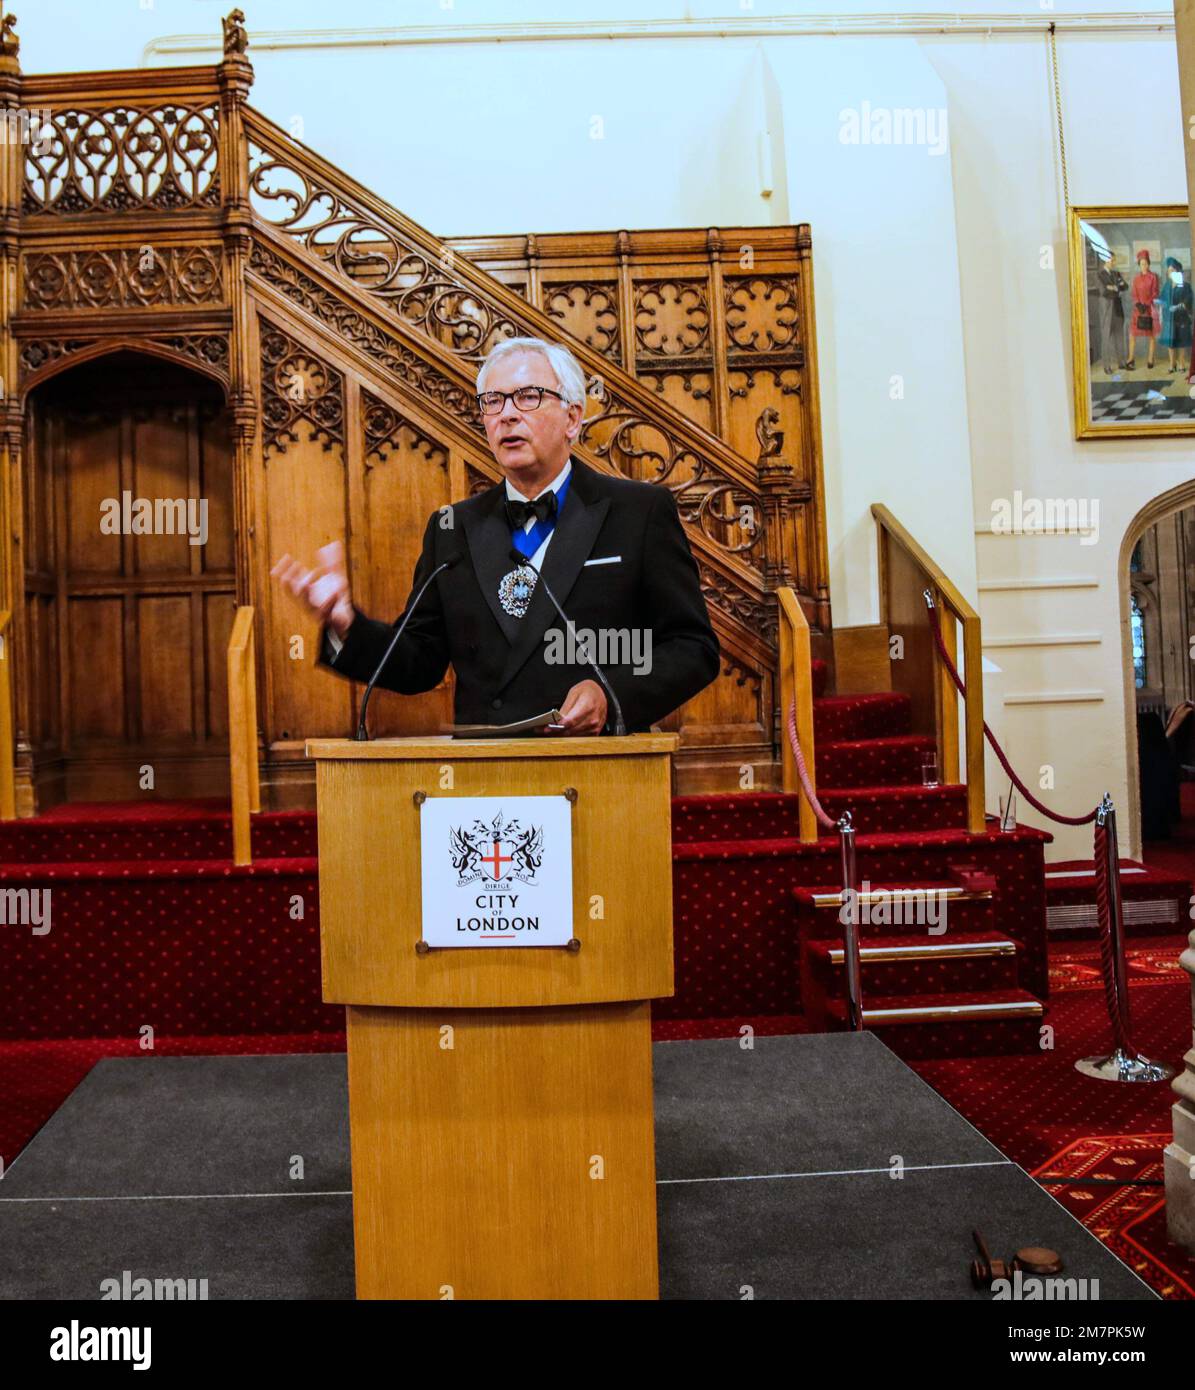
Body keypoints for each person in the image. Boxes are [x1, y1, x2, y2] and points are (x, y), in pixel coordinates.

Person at [272, 336, 720, 735]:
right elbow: (420, 663)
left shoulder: (638, 512)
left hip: (598, 774)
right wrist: (347, 625)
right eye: (492, 401)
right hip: (485, 783)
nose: (506, 414)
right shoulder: (451, 527)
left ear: (572, 418)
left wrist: (611, 696)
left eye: (527, 396)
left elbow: (692, 648)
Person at [1125, 249, 1160, 371]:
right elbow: (1134, 294)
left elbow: (1155, 292)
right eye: (1141, 264)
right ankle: (1130, 359)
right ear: (1139, 265)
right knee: (1132, 334)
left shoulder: (1153, 277)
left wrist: (1147, 303)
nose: (1144, 266)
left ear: (1149, 264)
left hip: (1149, 309)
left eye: (1145, 263)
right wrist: (1138, 304)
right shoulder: (1136, 279)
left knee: (1151, 335)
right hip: (1138, 310)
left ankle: (1150, 359)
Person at [1093, 253, 1127, 375]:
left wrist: (1114, 287)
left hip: (1117, 309)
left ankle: (1121, 362)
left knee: (1119, 336)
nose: (1114, 262)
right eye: (1112, 260)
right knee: (1106, 338)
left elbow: (1125, 286)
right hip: (1107, 310)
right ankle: (1106, 366)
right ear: (1106, 260)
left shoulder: (1116, 274)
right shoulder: (1099, 275)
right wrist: (1115, 288)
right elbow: (1104, 291)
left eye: (1114, 260)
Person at [1160, 257, 1192, 375]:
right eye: (1169, 271)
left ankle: (1182, 363)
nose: (1171, 273)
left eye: (1173, 270)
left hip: (1181, 318)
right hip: (1169, 319)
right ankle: (1172, 363)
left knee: (1181, 341)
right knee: (1170, 342)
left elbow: (1189, 300)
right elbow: (1162, 299)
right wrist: (1161, 303)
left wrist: (1180, 306)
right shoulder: (1166, 286)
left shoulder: (1185, 285)